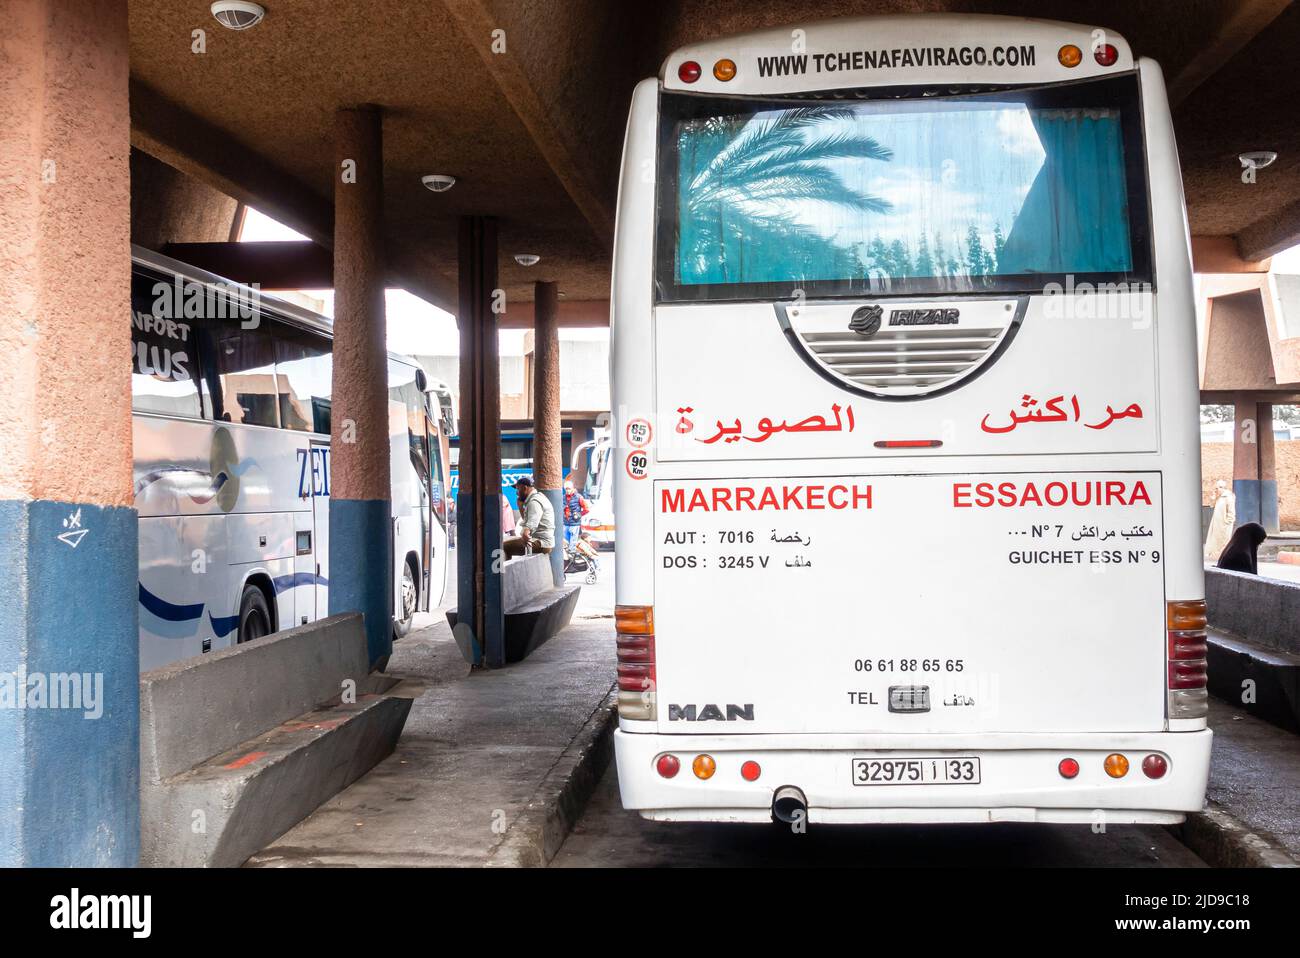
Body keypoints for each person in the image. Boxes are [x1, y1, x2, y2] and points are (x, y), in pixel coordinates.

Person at [502, 475, 555, 558]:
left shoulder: (534, 502)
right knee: (508, 544)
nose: (516, 492)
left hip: (541, 542)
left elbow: (531, 524)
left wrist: (526, 532)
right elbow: (527, 520)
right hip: (541, 541)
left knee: (504, 547)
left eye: (518, 489)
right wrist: (520, 505)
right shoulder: (535, 498)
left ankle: (504, 571)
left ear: (524, 488)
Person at [561, 478, 590, 549]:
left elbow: (587, 509)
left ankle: (572, 556)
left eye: (569, 488)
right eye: (566, 489)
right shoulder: (563, 497)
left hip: (574, 523)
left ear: (573, 488)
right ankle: (568, 557)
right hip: (566, 523)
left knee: (573, 543)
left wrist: (579, 515)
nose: (567, 490)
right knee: (566, 543)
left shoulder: (579, 497)